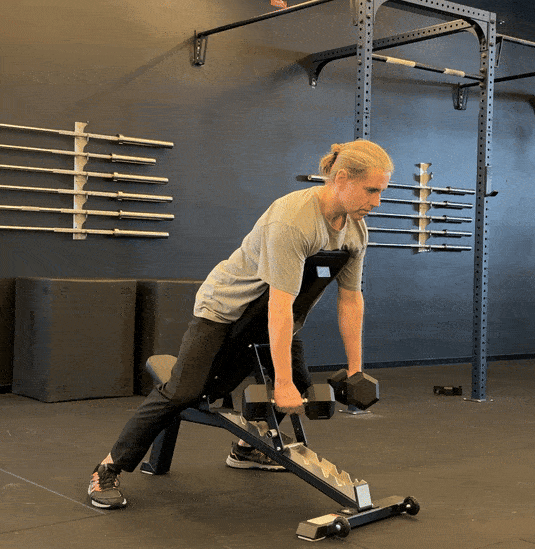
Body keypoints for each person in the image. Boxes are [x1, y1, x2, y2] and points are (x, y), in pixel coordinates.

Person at [88, 139, 394, 509]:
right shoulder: (293, 220)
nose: (377, 201)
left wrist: (356, 371)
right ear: (342, 178)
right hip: (224, 308)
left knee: (300, 386)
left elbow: (351, 300)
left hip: (277, 315)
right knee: (185, 392)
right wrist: (280, 383)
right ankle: (108, 468)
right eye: (372, 190)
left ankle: (246, 449)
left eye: (381, 191)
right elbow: (279, 305)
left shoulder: (355, 230)